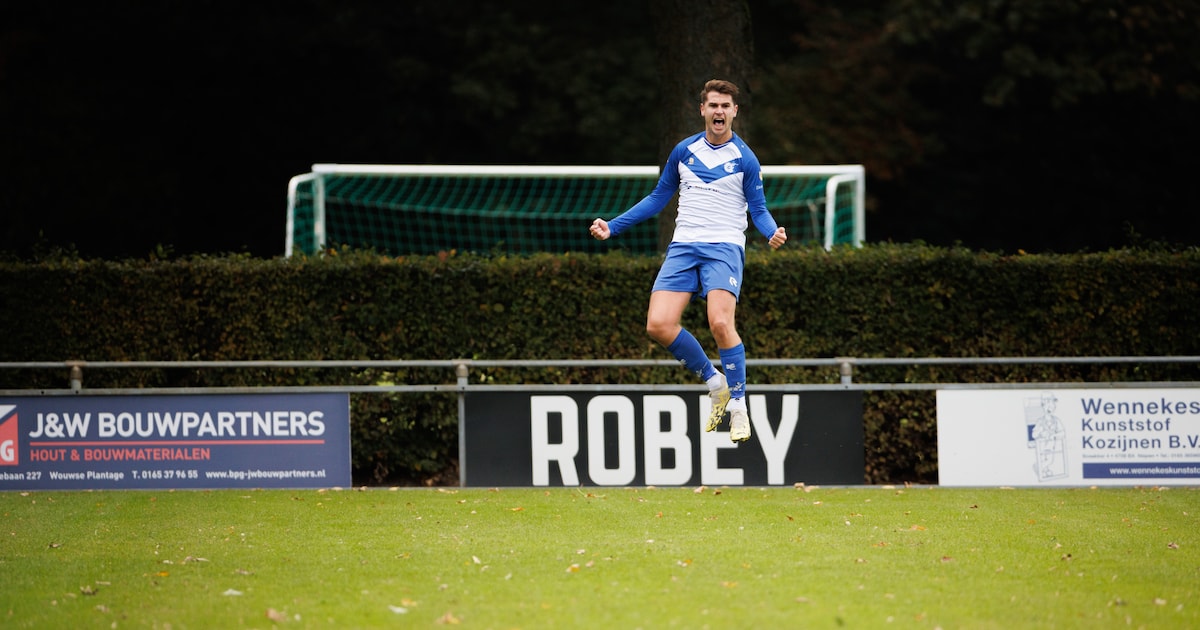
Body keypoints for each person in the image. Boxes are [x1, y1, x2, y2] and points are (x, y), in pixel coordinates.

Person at [589, 79, 787, 443]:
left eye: (725, 106)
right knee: (658, 324)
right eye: (713, 105)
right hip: (683, 247)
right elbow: (657, 197)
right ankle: (716, 384)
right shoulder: (683, 151)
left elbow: (758, 210)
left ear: (734, 112)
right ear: (702, 110)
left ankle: (740, 407)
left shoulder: (745, 158)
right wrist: (613, 227)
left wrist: (772, 231)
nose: (719, 112)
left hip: (724, 248)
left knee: (720, 322)